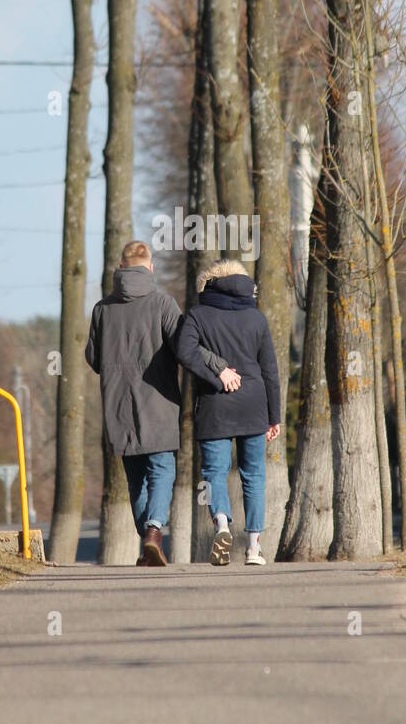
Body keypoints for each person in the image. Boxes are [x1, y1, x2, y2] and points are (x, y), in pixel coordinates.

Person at [85, 240, 237, 567]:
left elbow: (93, 359)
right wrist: (219, 367)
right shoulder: (162, 304)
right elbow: (186, 345)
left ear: (121, 269)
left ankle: (149, 539)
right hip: (159, 405)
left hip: (118, 409)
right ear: (150, 268)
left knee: (136, 479)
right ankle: (154, 532)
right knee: (162, 470)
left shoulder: (102, 309)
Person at [176, 260, 281, 567]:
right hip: (254, 403)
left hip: (214, 404)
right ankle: (253, 547)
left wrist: (216, 375)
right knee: (254, 475)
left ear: (209, 283)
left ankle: (222, 523)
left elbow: (184, 353)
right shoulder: (256, 318)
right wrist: (274, 416)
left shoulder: (198, 315)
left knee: (213, 473)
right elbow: (270, 371)